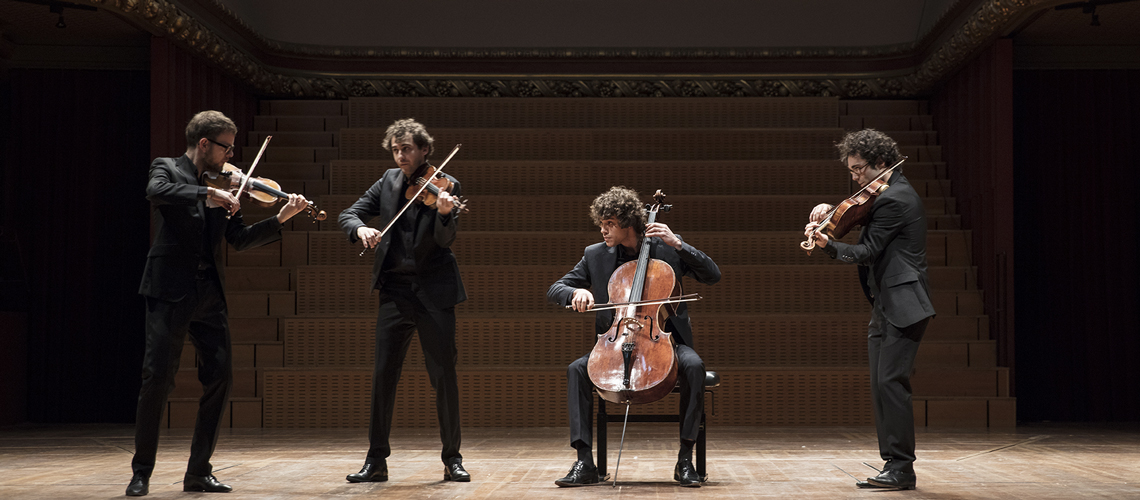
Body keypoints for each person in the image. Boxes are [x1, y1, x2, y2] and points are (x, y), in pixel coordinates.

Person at [129, 110, 307, 496]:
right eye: (226, 147)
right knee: (157, 378)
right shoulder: (169, 169)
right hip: (168, 288)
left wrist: (280, 217)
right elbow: (155, 192)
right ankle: (142, 471)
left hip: (208, 292)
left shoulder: (229, 186)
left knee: (221, 377)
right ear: (205, 144)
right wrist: (207, 193)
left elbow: (238, 239)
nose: (231, 157)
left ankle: (198, 471)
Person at [546, 186, 721, 488]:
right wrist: (576, 291)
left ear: (629, 223)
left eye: (609, 223)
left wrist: (679, 244)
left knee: (694, 365)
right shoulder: (595, 255)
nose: (603, 230)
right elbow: (556, 288)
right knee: (576, 369)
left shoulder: (667, 250)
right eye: (601, 223)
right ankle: (584, 462)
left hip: (664, 341)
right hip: (616, 341)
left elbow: (712, 274)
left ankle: (685, 459)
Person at [338, 118, 470, 483]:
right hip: (394, 292)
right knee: (383, 376)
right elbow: (347, 214)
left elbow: (445, 240)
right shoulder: (387, 181)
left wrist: (444, 212)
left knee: (443, 376)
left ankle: (452, 459)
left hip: (434, 292)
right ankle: (375, 460)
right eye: (396, 150)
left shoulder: (446, 185)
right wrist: (361, 228)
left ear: (425, 149)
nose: (401, 156)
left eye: (407, 149)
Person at [804, 129, 936, 491]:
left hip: (904, 304)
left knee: (891, 384)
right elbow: (855, 214)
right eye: (851, 170)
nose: (855, 177)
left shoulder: (897, 199)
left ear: (881, 163)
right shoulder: (884, 195)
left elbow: (867, 252)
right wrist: (827, 212)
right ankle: (893, 465)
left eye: (859, 169)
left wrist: (829, 246)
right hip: (886, 304)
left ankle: (901, 468)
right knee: (882, 386)